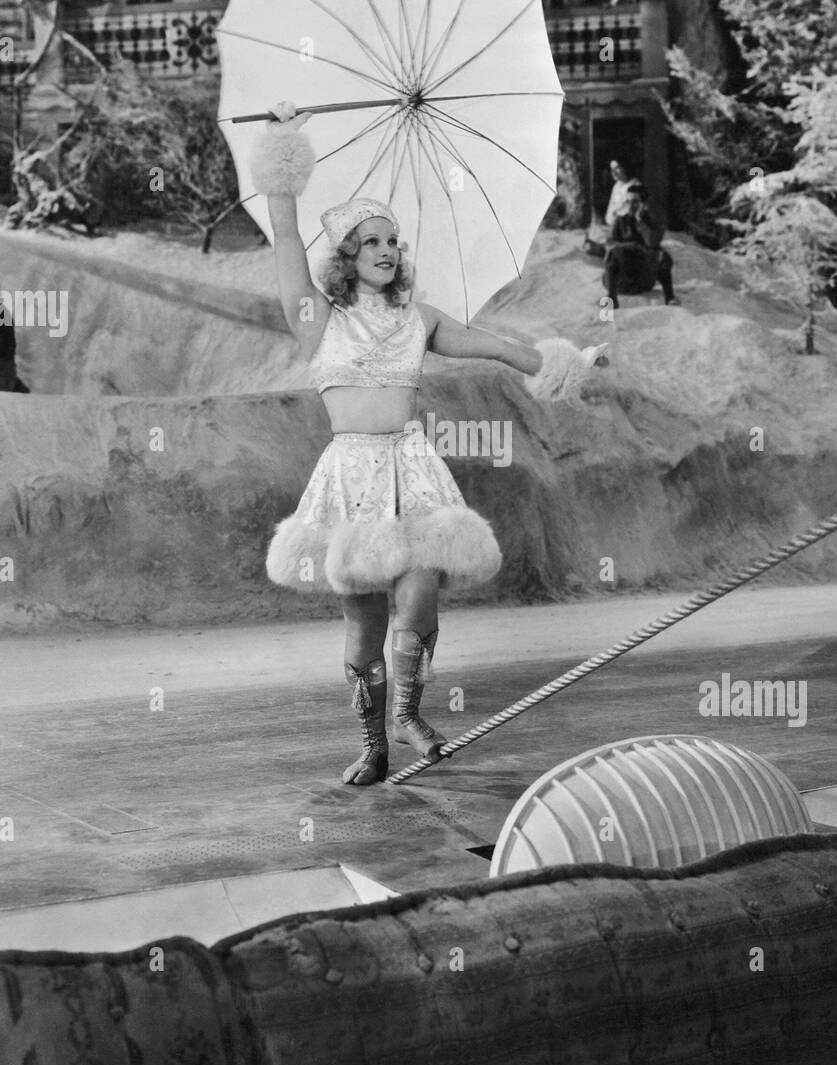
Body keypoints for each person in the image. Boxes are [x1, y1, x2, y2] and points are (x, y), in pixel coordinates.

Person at [250, 101, 602, 788]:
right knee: (363, 623)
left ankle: (410, 714)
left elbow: (499, 349)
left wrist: (563, 365)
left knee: (418, 602)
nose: (388, 250)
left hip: (411, 470)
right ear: (348, 256)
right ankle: (372, 742)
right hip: (350, 476)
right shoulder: (318, 320)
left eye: (394, 241)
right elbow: (288, 243)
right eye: (374, 241)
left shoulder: (419, 319)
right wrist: (283, 143)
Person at [604, 181, 679, 308]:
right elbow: (609, 246)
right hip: (622, 281)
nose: (630, 206)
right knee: (614, 254)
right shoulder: (620, 221)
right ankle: (611, 301)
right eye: (628, 201)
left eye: (635, 202)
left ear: (644, 204)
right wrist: (633, 246)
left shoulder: (652, 223)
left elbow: (652, 242)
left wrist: (640, 222)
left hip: (644, 279)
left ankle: (670, 297)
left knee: (664, 255)